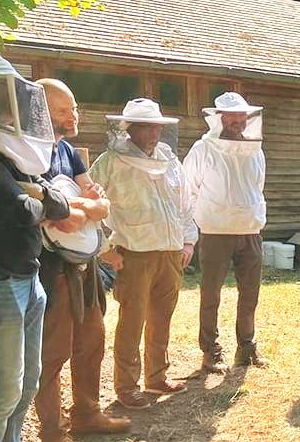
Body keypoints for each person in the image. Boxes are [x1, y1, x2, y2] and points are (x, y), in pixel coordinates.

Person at [0, 45, 83, 442]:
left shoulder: (10, 150)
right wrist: (38, 200)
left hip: (28, 274)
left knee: (24, 383)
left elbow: (57, 201)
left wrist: (38, 198)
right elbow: (25, 211)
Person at [33, 79, 131, 442]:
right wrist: (83, 210)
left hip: (85, 262)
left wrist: (84, 210)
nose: (71, 116)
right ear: (40, 111)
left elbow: (98, 206)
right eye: (62, 110)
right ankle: (53, 433)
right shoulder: (29, 156)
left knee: (91, 339)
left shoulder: (70, 152)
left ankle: (87, 414)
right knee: (54, 351)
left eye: (73, 108)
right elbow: (60, 221)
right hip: (52, 267)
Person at [92, 98, 198, 410]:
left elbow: (185, 205)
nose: (153, 133)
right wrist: (105, 249)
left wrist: (188, 242)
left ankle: (156, 378)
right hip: (134, 254)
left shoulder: (169, 160)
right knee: (132, 321)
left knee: (161, 317)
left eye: (157, 126)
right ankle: (127, 387)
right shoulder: (110, 161)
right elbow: (87, 202)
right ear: (130, 129)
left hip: (170, 253)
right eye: (145, 127)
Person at [184, 91, 267, 373]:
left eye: (242, 115)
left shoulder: (255, 150)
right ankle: (210, 351)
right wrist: (204, 219)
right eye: (232, 115)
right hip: (216, 232)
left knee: (250, 294)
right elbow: (188, 190)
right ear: (219, 118)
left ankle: (246, 348)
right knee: (211, 295)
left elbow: (257, 187)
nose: (239, 120)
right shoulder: (202, 149)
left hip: (250, 232)